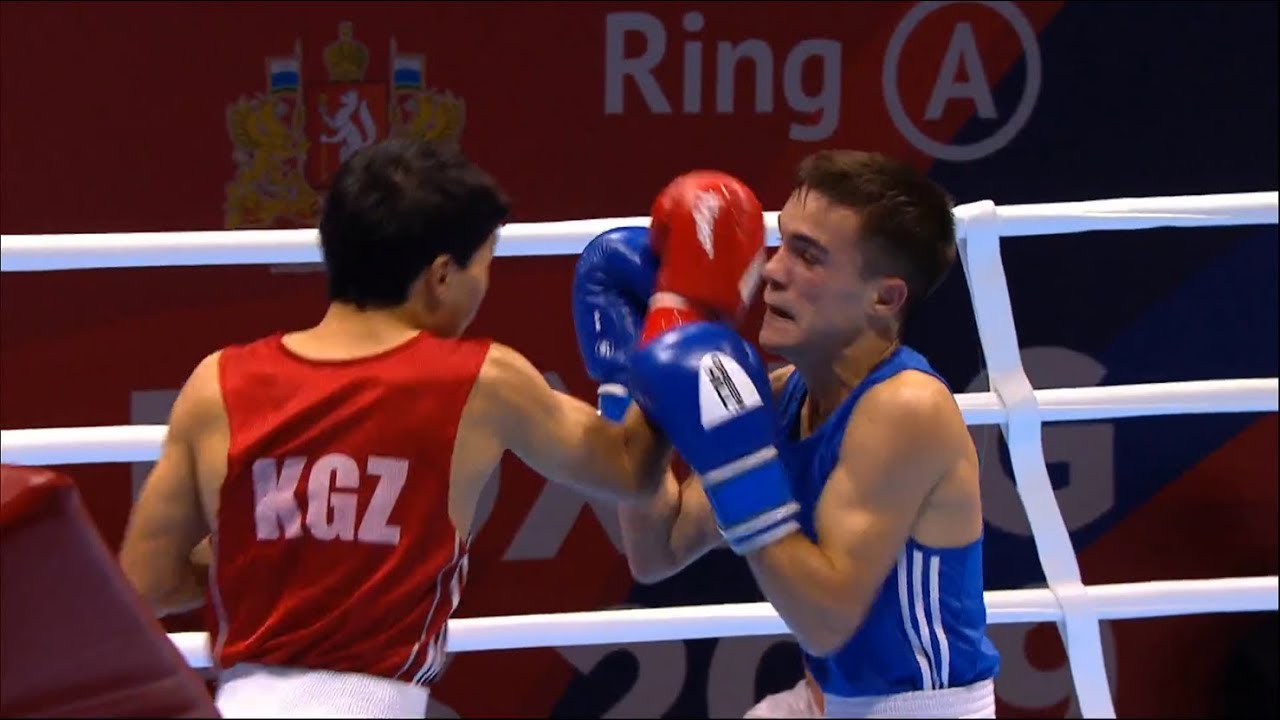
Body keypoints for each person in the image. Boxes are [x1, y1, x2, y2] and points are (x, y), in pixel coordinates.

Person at [116, 137, 732, 718]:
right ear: (441, 275)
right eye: (484, 264)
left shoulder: (216, 382)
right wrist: (670, 324)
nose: (484, 286)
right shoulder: (481, 380)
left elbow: (146, 582)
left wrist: (285, 549)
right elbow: (630, 469)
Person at [573, 150, 1000, 718]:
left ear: (884, 298)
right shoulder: (782, 392)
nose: (772, 271)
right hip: (824, 701)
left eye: (808, 256)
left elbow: (825, 622)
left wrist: (741, 475)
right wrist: (631, 378)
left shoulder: (906, 407)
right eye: (781, 244)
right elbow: (657, 550)